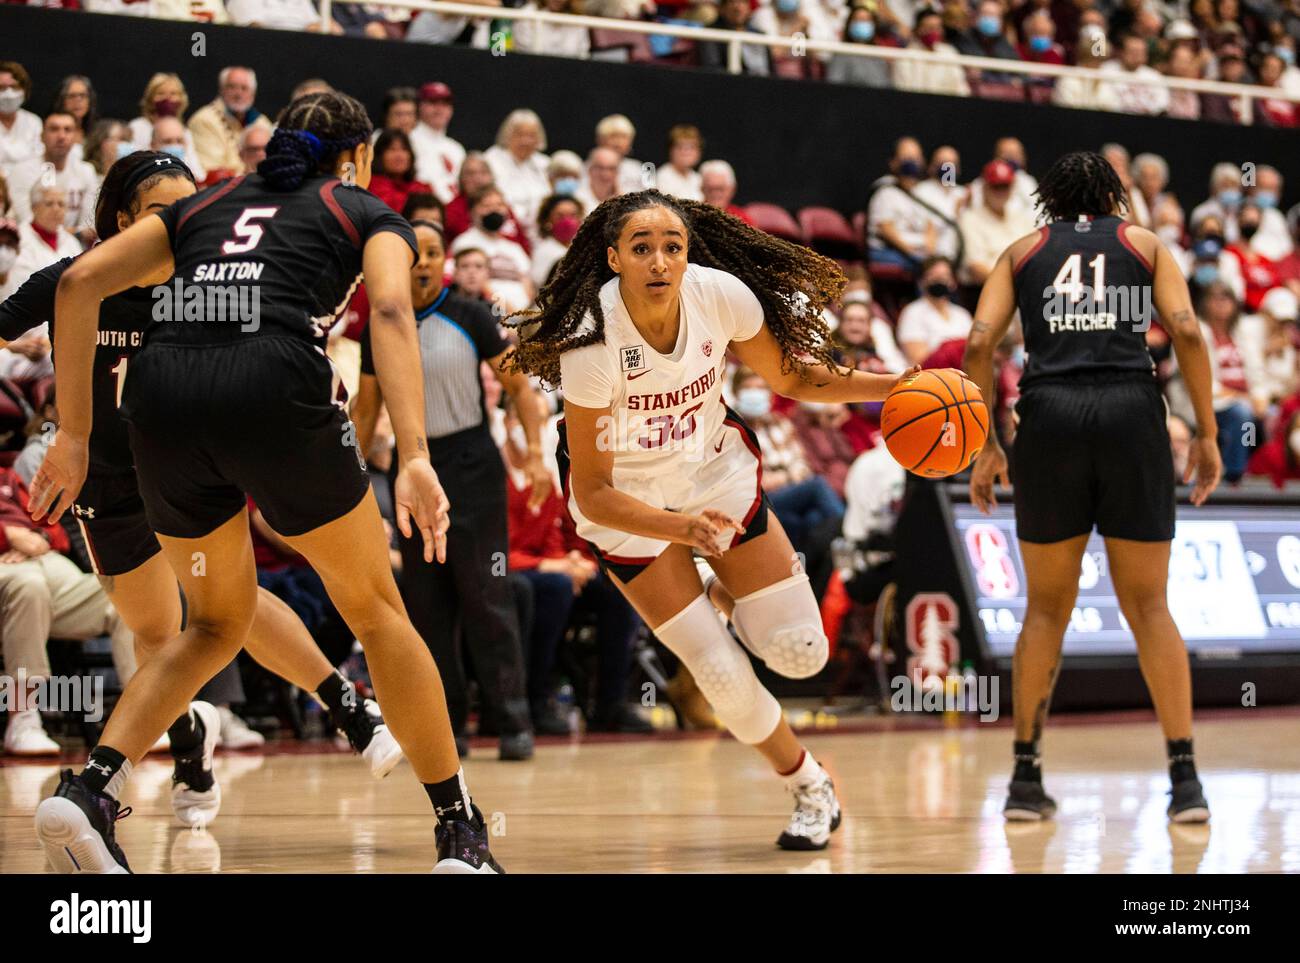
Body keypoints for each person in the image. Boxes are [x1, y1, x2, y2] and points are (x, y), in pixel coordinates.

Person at [29, 92, 503, 874]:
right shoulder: (363, 210)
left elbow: (78, 284)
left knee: (213, 623)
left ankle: (87, 790)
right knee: (380, 612)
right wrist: (414, 453)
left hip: (163, 400)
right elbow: (390, 309)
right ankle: (461, 832)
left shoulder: (207, 198)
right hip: (274, 387)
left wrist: (73, 436)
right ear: (354, 157)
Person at [506, 188, 930, 851]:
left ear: (687, 255)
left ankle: (723, 593)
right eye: (641, 248)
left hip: (711, 474)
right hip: (624, 504)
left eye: (672, 247)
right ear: (613, 257)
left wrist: (899, 384)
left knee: (799, 653)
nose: (658, 261)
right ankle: (809, 784)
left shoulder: (718, 295)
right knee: (721, 674)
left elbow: (795, 379)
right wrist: (680, 532)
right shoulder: (591, 339)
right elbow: (590, 492)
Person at [2, 144, 402, 789]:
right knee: (159, 638)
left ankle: (346, 704)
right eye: (160, 211)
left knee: (224, 610)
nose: (178, 222)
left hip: (185, 465)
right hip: (104, 479)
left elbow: (282, 343)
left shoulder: (209, 288)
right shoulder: (71, 281)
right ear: (125, 221)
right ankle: (191, 740)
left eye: (186, 209)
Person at [964, 150, 1221, 825]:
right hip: (1132, 412)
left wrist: (988, 444)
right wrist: (1209, 433)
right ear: (1115, 197)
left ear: (1048, 202)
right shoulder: (1146, 243)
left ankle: (1024, 778)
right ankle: (1185, 781)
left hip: (1048, 417)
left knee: (1045, 609)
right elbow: (1189, 331)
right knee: (1150, 606)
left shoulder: (1022, 251)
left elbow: (978, 342)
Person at [353, 219, 550, 760]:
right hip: (412, 470)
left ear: (444, 261)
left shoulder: (471, 314)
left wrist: (534, 454)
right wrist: (348, 477)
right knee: (428, 606)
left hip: (472, 467)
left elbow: (519, 387)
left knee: (487, 595)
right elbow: (365, 413)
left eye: (432, 252)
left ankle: (512, 721)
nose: (421, 262)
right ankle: (448, 728)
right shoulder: (381, 326)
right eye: (412, 253)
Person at [186, 66, 273, 178]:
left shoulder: (262, 123)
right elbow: (212, 171)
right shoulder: (203, 120)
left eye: (244, 88)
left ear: (253, 94)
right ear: (221, 90)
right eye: (232, 87)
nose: (238, 93)